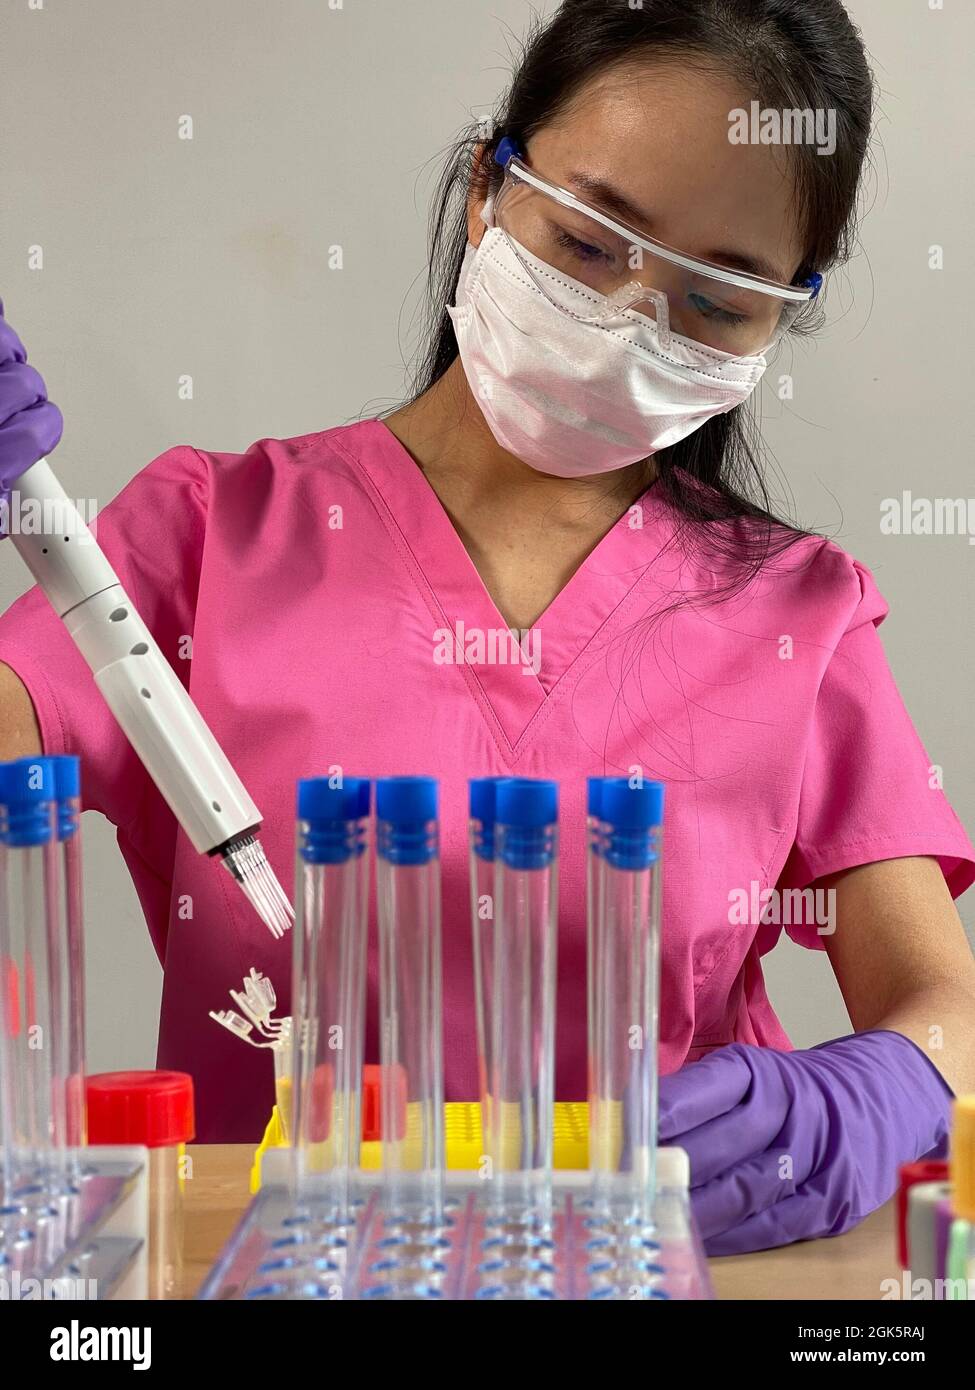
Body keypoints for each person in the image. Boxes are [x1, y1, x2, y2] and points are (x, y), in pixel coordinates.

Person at [1, 0, 973, 1255]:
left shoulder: (797, 611)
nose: (630, 323)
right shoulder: (206, 537)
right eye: (584, 240)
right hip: (283, 1271)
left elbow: (940, 1001)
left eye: (717, 305)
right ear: (483, 189)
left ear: (783, 315)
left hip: (661, 1271)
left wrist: (868, 1096)